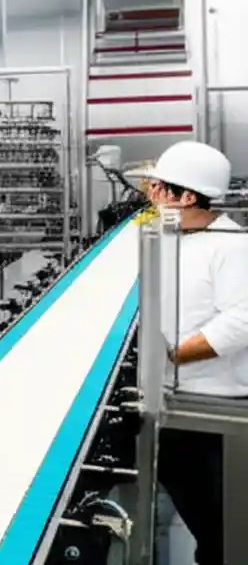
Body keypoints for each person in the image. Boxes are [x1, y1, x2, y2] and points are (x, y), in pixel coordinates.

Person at [140, 140, 248, 565]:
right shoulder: (175, 232)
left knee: (222, 530)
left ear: (187, 196)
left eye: (159, 187)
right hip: (172, 399)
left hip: (212, 410)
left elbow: (242, 320)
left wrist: (171, 356)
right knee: (197, 507)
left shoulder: (232, 245)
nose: (150, 193)